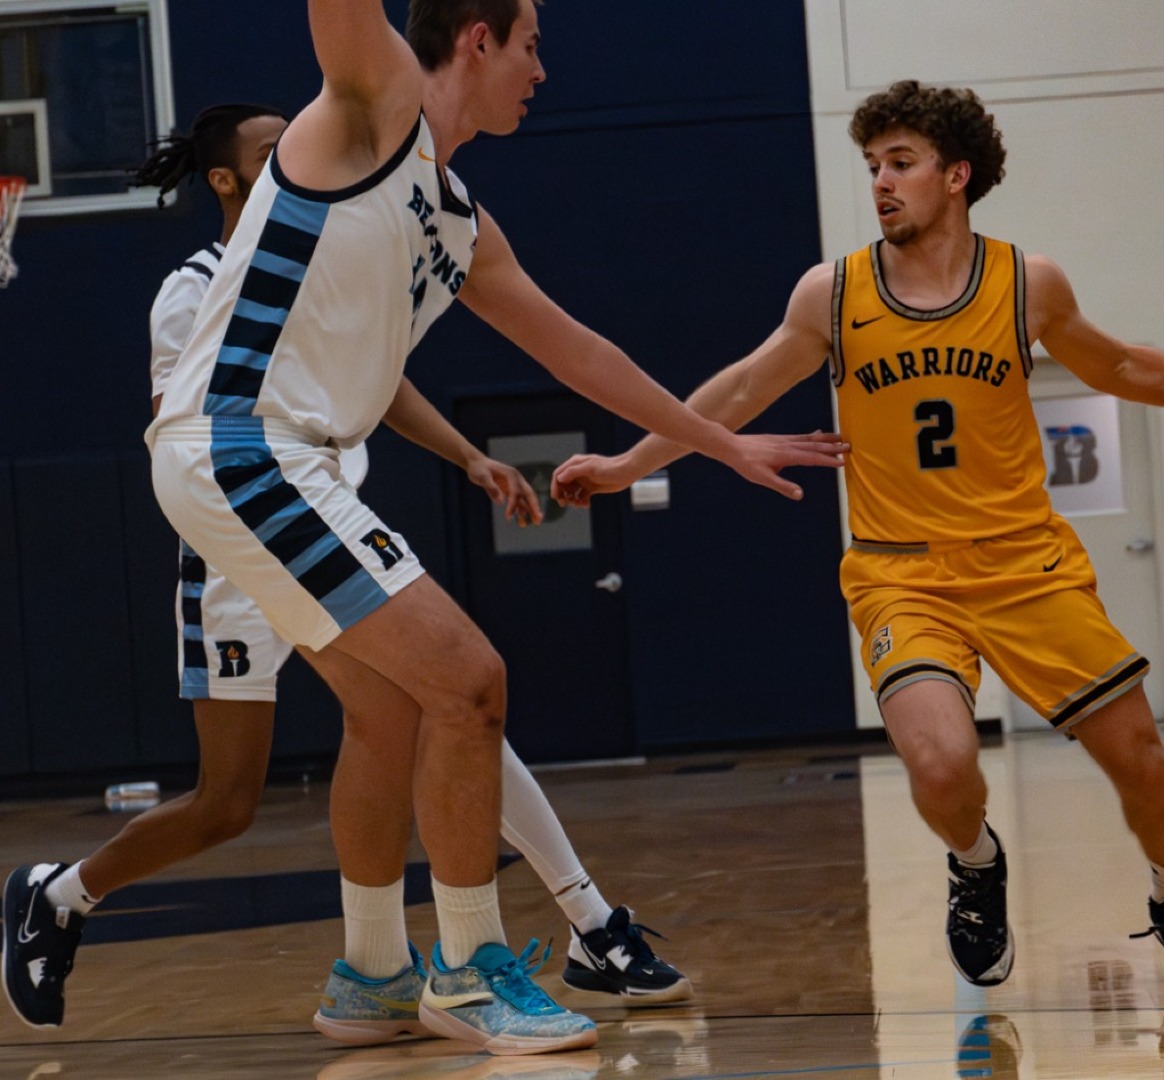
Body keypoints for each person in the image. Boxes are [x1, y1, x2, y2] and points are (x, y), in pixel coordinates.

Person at [131, 0, 839, 1054]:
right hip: (244, 443)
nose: (541, 71)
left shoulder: (457, 216)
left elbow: (580, 354)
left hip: (271, 462)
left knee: (396, 709)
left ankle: (370, 975)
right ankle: (468, 970)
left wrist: (717, 441)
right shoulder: (370, 107)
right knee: (470, 682)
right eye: (532, 43)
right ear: (476, 37)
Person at [551, 80, 1164, 985]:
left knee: (1142, 761)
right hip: (901, 574)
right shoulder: (833, 293)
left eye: (900, 163)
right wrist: (628, 466)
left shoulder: (1028, 283)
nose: (881, 183)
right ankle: (977, 866)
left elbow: (1123, 363)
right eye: (871, 166)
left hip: (1027, 566)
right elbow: (741, 388)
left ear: (956, 175)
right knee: (940, 764)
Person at [2, 100, 694, 1039]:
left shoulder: (320, 251)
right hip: (235, 540)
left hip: (311, 509)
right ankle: (61, 891)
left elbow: (389, 380)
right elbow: (189, 406)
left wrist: (467, 455)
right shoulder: (196, 284)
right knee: (230, 801)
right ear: (228, 179)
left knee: (429, 702)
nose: (293, 148)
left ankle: (534, 932)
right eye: (268, 146)